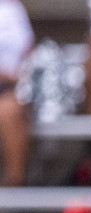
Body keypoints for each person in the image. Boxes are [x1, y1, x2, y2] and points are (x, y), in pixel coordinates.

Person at [0, 0, 32, 187]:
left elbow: (28, 49)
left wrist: (18, 76)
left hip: (12, 86)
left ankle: (16, 182)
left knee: (11, 110)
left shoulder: (12, 9)